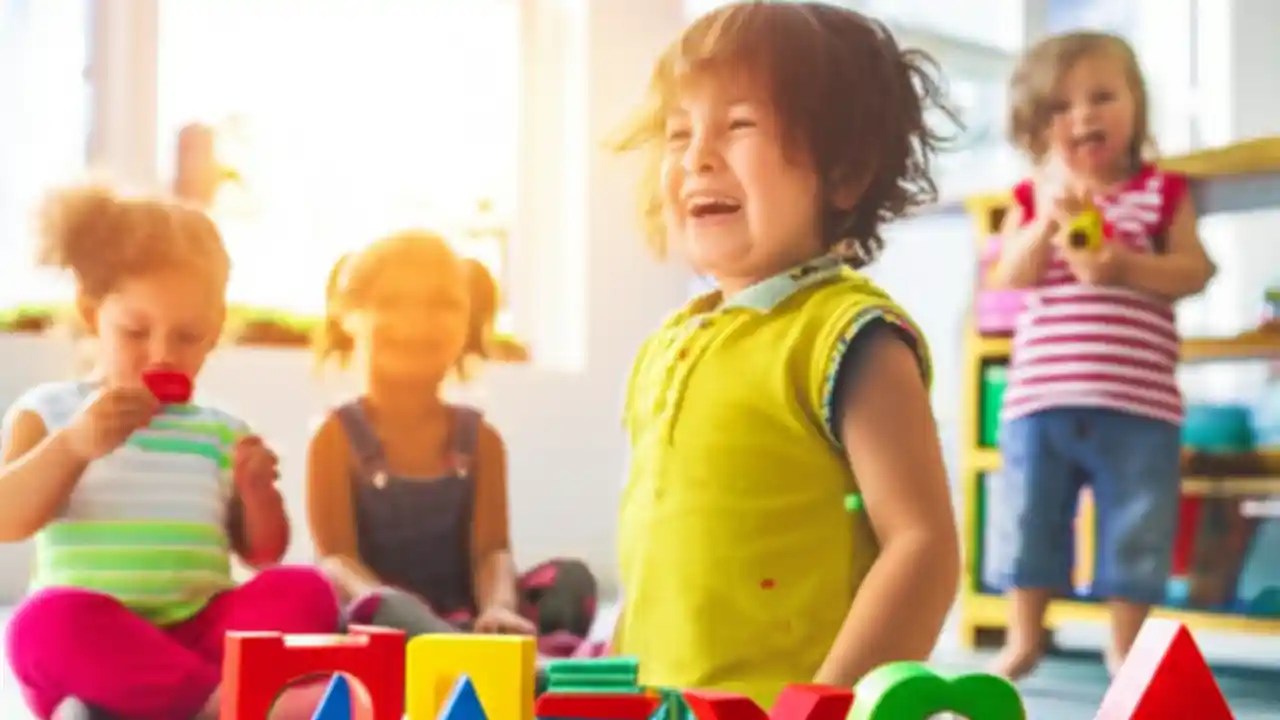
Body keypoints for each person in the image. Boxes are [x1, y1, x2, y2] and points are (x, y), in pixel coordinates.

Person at [609, 1, 961, 707]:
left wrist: (825, 705)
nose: (697, 156)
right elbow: (655, 561)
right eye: (679, 135)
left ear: (845, 172)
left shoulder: (846, 334)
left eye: (739, 126)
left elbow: (923, 548)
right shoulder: (666, 346)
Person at [0, 186, 339, 720]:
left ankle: (197, 698)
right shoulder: (51, 412)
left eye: (188, 336)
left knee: (305, 590)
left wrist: (256, 494)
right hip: (99, 644)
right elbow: (7, 520)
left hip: (200, 635)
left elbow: (262, 552)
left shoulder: (221, 431)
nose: (162, 354)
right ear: (93, 315)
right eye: (136, 331)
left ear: (215, 332)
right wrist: (71, 447)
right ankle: (221, 703)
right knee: (39, 626)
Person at [987, 31, 1216, 679]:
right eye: (1060, 107)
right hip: (1042, 401)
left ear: (1136, 107)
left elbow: (1194, 271)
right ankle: (1023, 637)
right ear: (1037, 130)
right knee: (1030, 519)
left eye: (1102, 98)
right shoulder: (1033, 197)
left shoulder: (1161, 193)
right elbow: (1008, 277)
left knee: (1136, 528)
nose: (1083, 116)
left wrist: (1122, 264)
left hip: (1138, 404)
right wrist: (1045, 227)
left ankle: (1126, 648)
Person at [306, 232, 598, 655]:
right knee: (365, 604)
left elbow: (491, 551)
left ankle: (523, 659)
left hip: (468, 617)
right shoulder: (337, 437)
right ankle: (486, 664)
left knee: (571, 579)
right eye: (391, 302)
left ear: (469, 320)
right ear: (347, 314)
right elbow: (337, 560)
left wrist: (498, 608)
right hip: (384, 626)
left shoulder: (480, 439)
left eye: (441, 303)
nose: (416, 319)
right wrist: (392, 606)